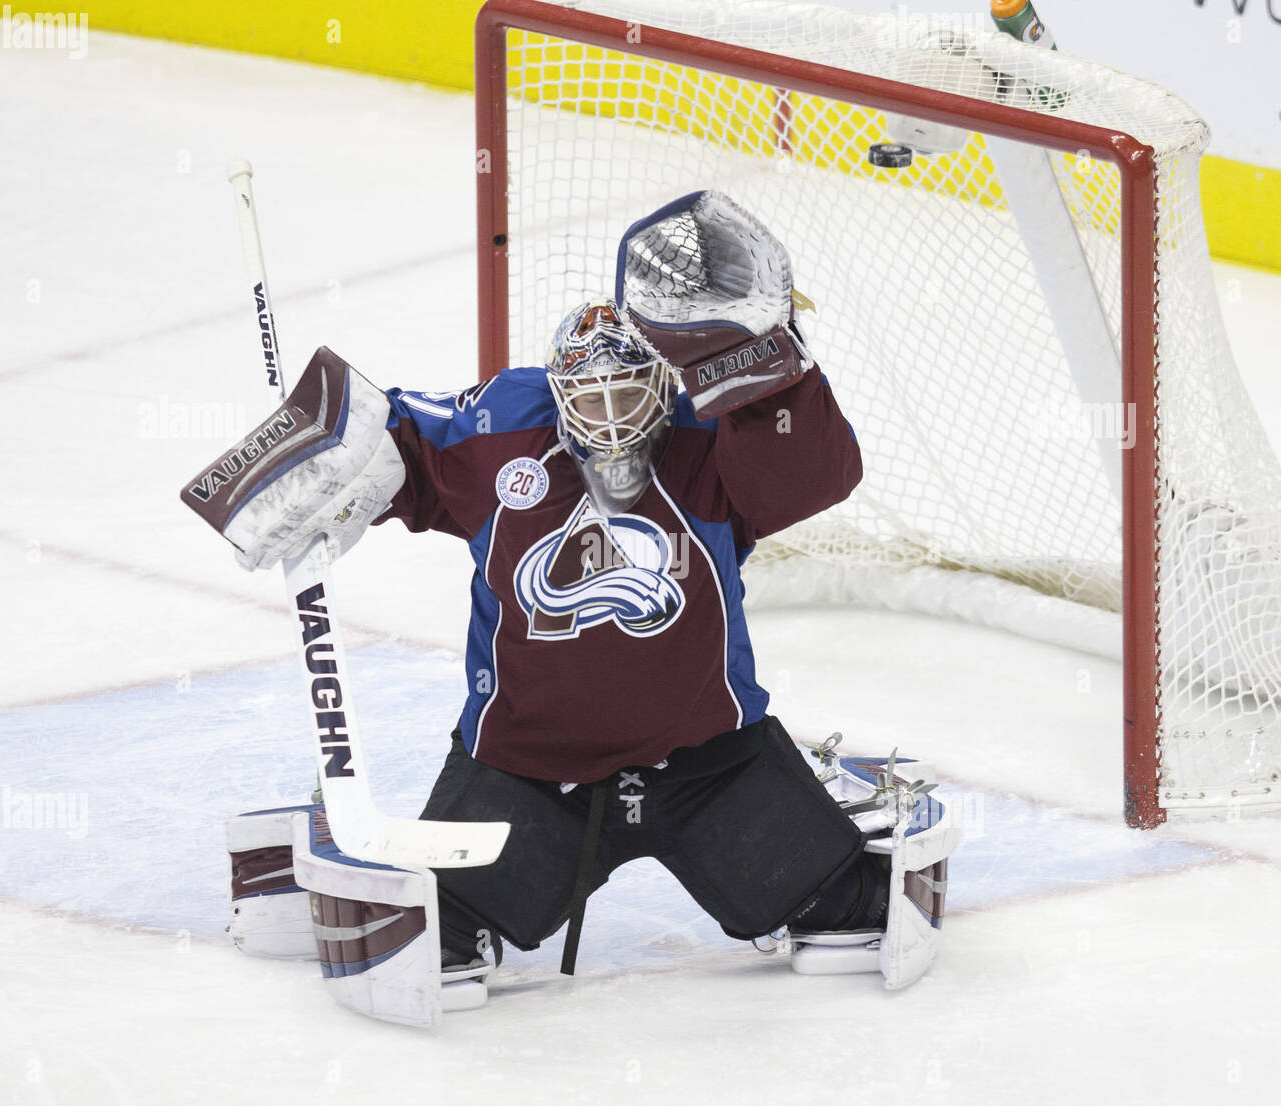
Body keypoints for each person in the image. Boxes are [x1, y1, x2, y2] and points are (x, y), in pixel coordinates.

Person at [198, 192, 956, 1023]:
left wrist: (767, 358)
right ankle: (333, 854)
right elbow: (402, 436)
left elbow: (815, 475)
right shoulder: (504, 430)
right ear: (555, 396)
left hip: (715, 767)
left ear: (661, 383)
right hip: (528, 773)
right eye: (587, 399)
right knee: (430, 946)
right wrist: (320, 450)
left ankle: (816, 813)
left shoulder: (708, 439)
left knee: (853, 913)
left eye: (628, 394)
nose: (609, 417)